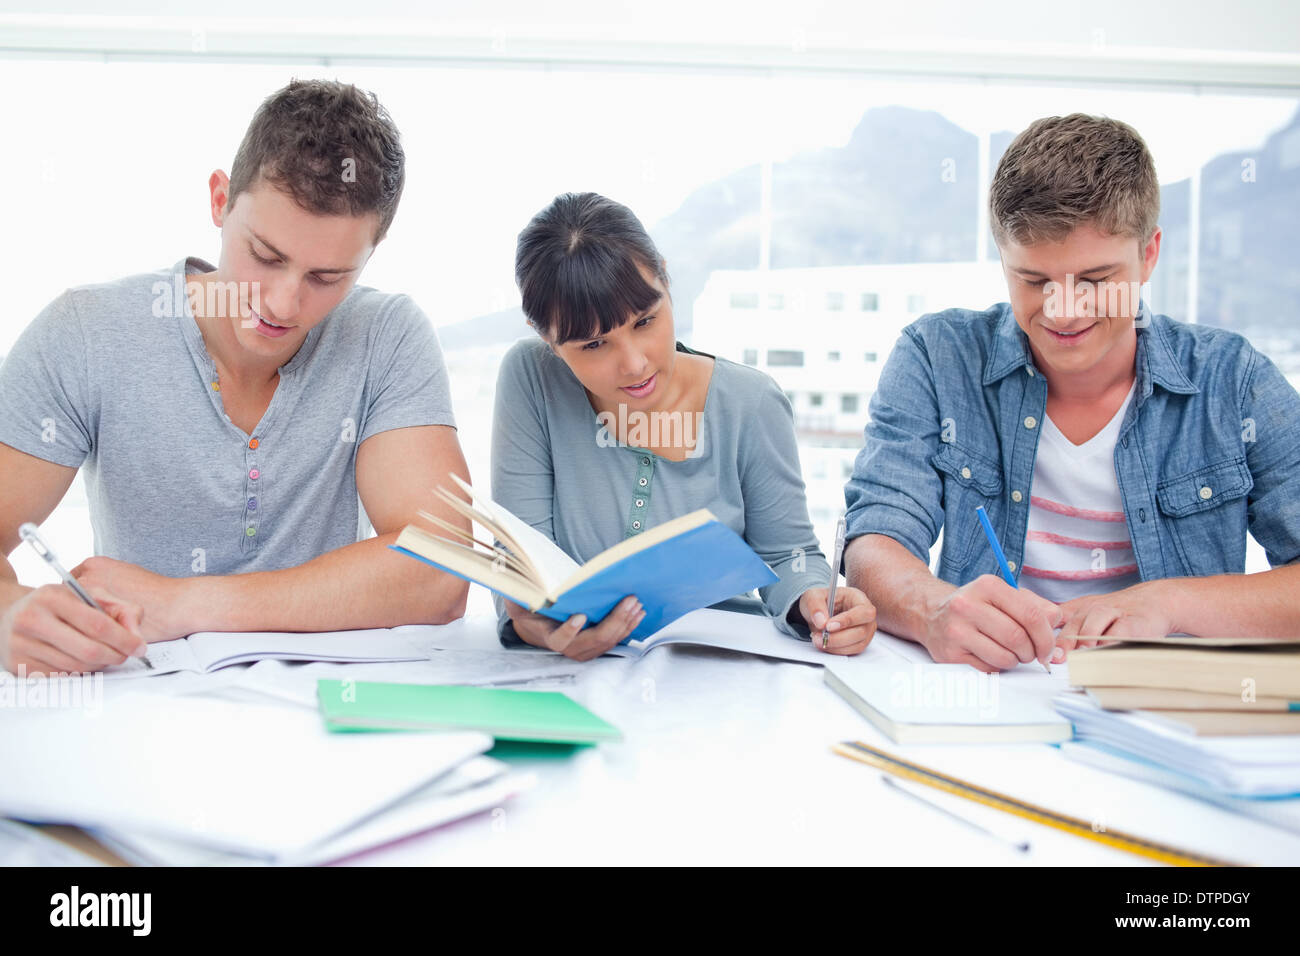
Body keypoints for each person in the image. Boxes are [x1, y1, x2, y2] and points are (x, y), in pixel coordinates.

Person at [0, 79, 472, 677]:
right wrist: (10, 617)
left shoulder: (387, 335)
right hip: (142, 707)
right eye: (266, 255)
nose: (281, 302)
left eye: (326, 277)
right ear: (220, 200)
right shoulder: (86, 333)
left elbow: (443, 570)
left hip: (329, 710)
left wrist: (187, 603)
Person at [843, 113, 1300, 673]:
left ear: (1149, 255)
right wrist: (931, 607)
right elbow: (875, 539)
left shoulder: (1235, 380)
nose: (1064, 311)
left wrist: (1171, 604)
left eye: (1094, 280)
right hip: (990, 695)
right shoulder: (936, 356)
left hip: (1168, 705)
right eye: (1034, 281)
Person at [492, 192, 876, 661]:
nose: (634, 364)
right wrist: (544, 630)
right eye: (594, 345)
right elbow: (523, 565)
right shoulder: (531, 379)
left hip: (717, 675)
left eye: (646, 320)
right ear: (545, 338)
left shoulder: (751, 403)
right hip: (572, 676)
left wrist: (813, 602)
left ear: (666, 278)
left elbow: (788, 555)